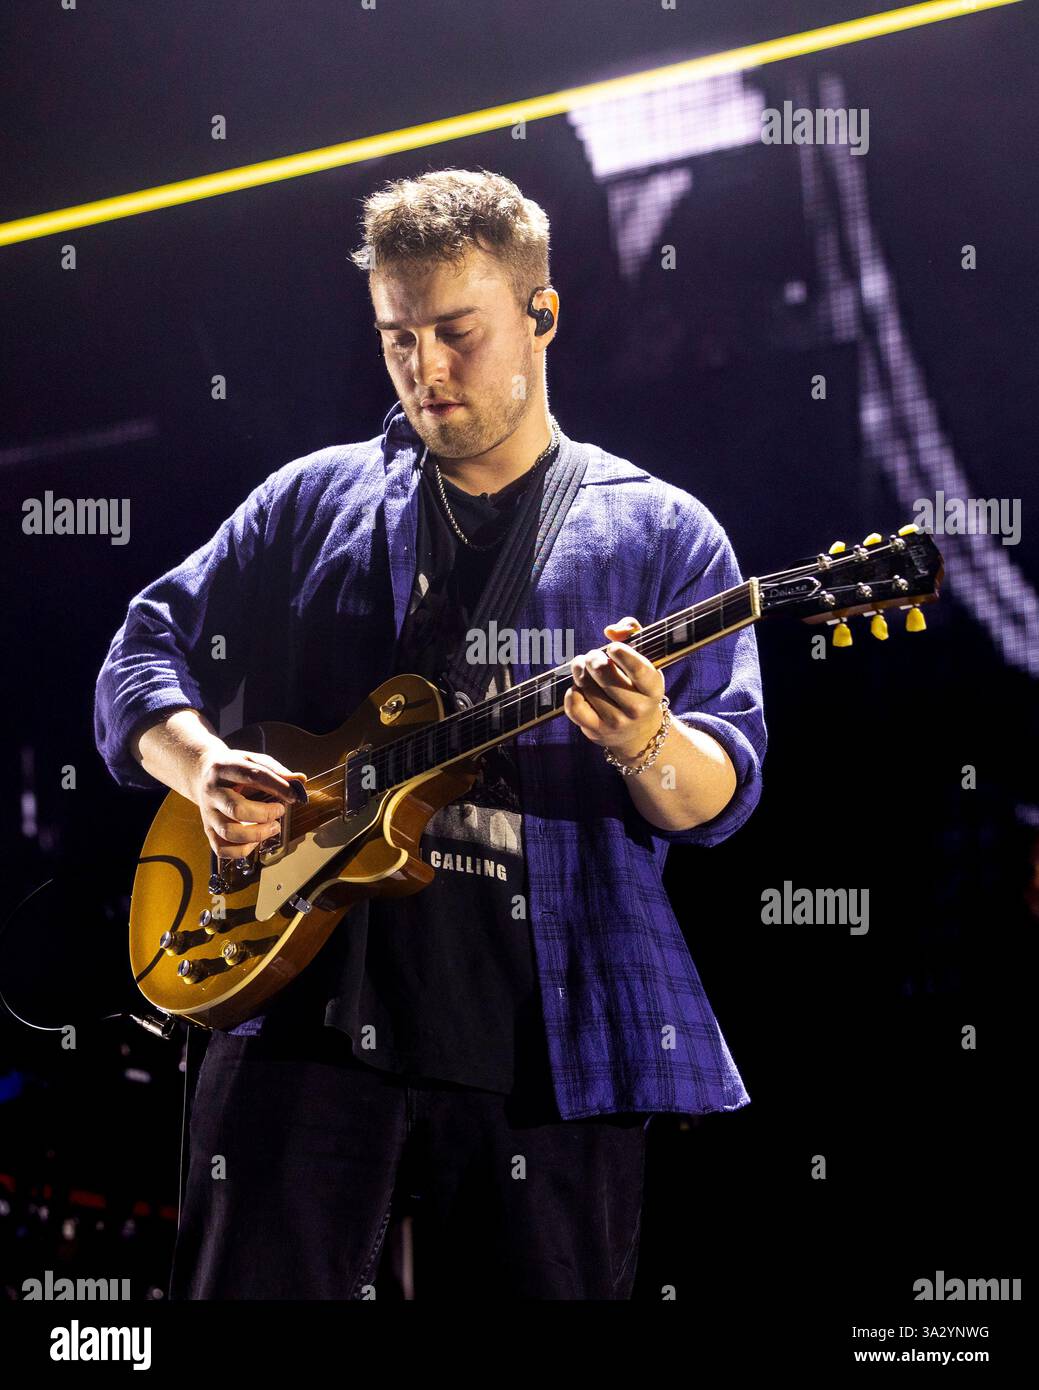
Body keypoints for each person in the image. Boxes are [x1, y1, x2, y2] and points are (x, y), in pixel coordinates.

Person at [94, 168, 767, 1300]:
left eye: (457, 332)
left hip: (545, 1044)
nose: (425, 368)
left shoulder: (659, 530)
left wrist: (645, 738)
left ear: (541, 315)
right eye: (396, 337)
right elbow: (139, 653)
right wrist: (203, 767)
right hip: (294, 1011)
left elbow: (718, 795)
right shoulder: (311, 500)